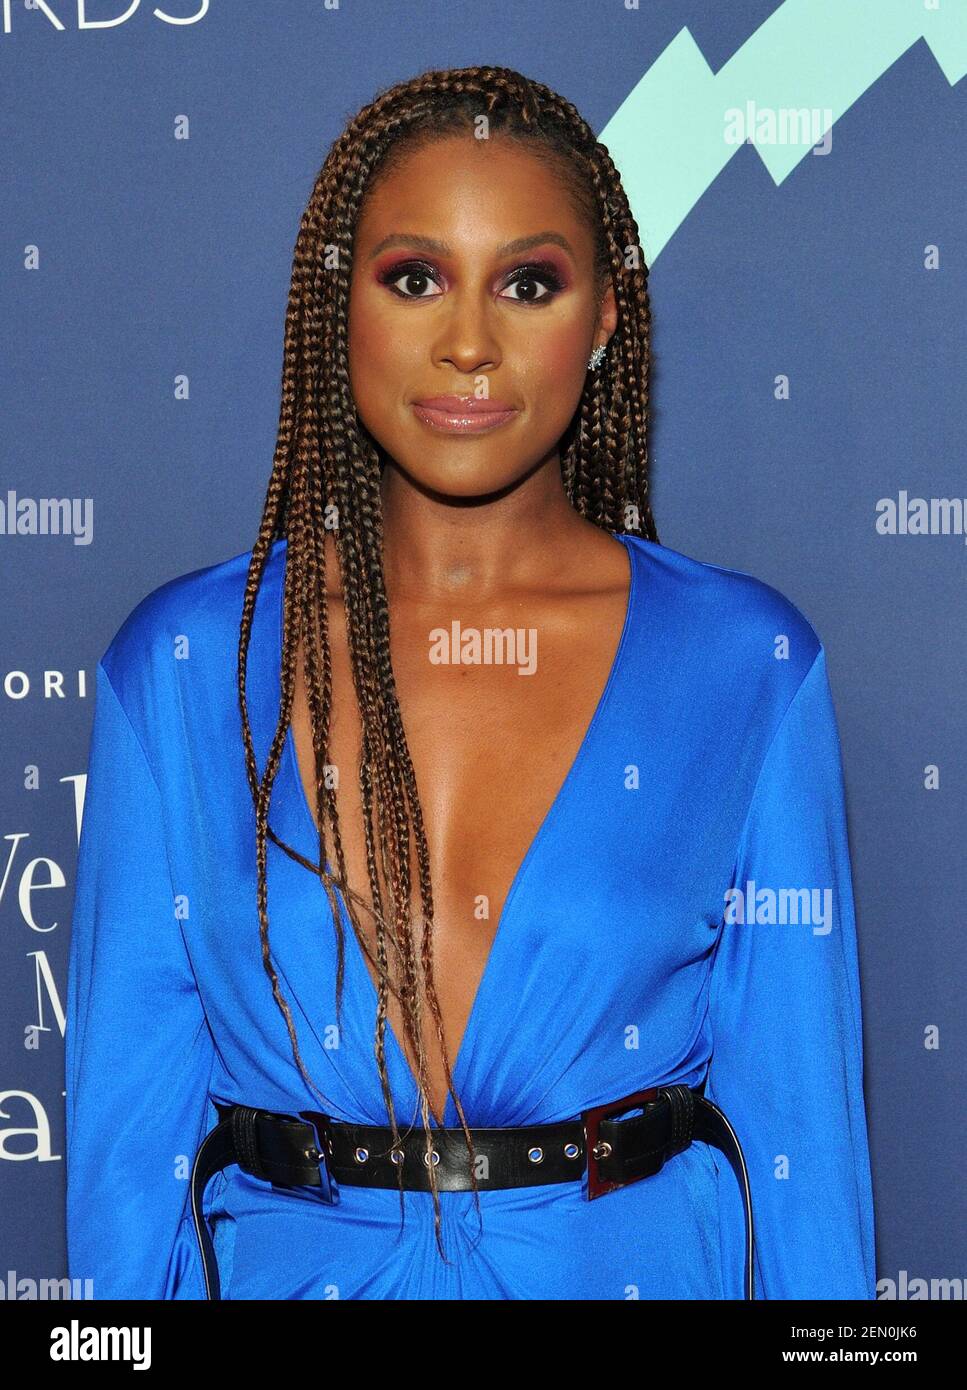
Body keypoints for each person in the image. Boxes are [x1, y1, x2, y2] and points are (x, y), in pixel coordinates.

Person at [65, 64, 876, 1300]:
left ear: (604, 316)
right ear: (342, 305)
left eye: (529, 283)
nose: (467, 342)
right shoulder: (180, 670)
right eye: (414, 276)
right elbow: (128, 1162)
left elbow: (800, 1146)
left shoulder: (743, 665)